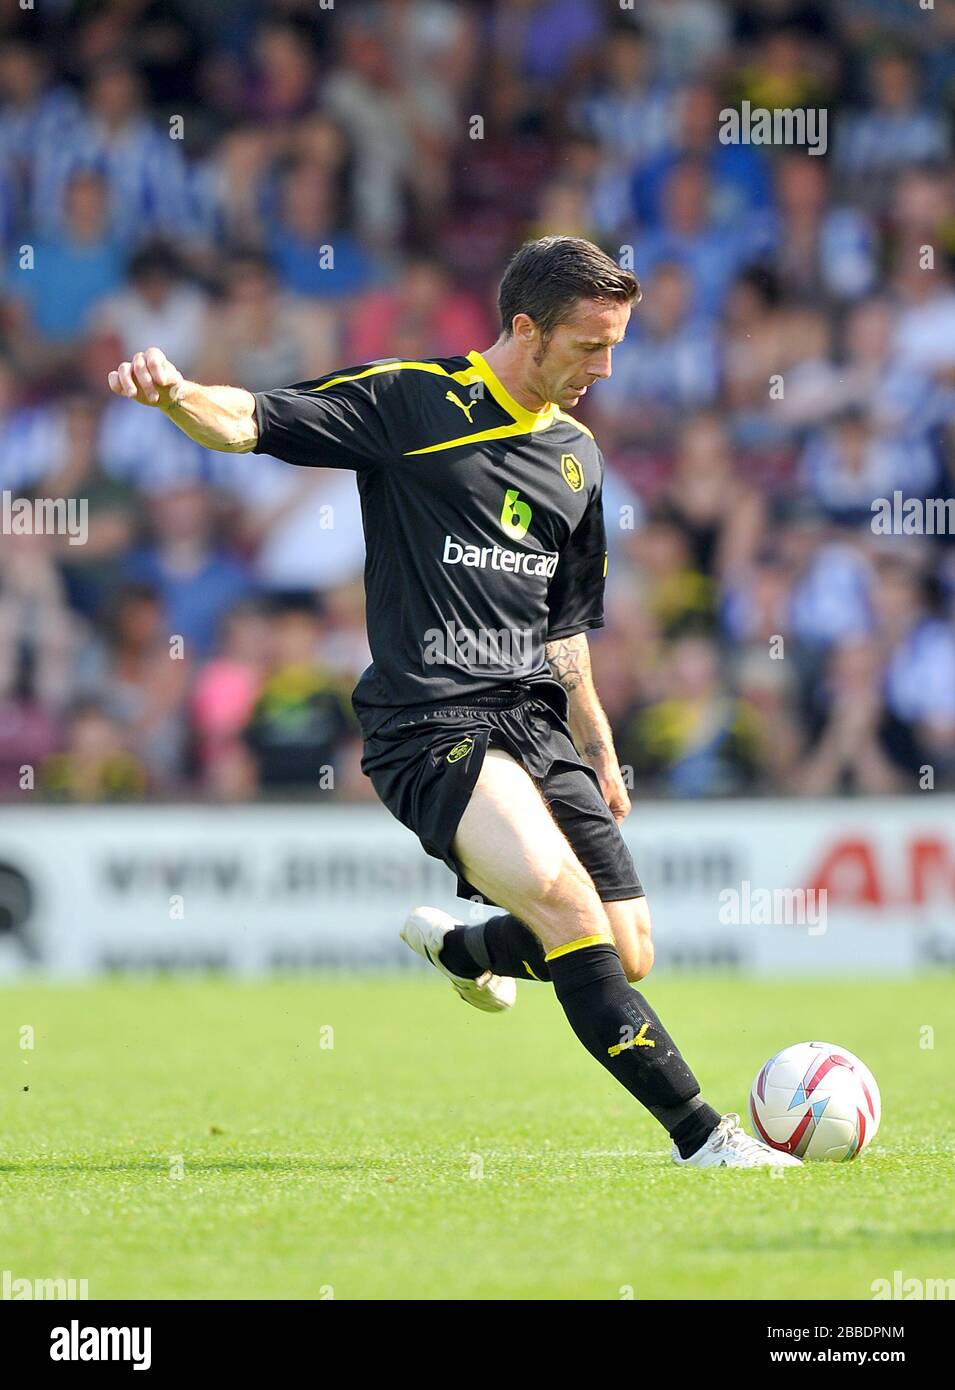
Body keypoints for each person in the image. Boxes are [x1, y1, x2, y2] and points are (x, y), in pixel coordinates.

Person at [106, 235, 798, 1168]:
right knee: (564, 908)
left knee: (627, 950)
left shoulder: (578, 459)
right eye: (590, 345)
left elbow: (564, 630)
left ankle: (466, 952)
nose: (606, 367)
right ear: (524, 328)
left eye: (615, 345)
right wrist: (177, 393)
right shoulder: (411, 399)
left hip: (538, 722)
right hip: (429, 719)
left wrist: (593, 741)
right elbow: (253, 420)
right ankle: (704, 1139)